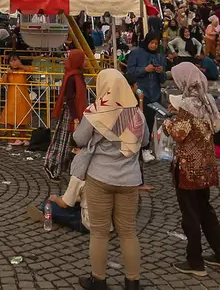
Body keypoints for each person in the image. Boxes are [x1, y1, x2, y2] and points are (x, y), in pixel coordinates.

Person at [74, 69, 145, 290]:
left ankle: (98, 280)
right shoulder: (136, 114)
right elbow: (144, 142)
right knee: (128, 232)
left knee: (99, 232)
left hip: (100, 176)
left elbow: (79, 138)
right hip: (129, 179)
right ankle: (132, 282)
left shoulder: (96, 111)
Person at [163, 62, 220, 279]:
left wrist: (167, 124)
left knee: (190, 214)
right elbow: (218, 127)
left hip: (188, 167)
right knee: (206, 210)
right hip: (206, 165)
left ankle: (195, 261)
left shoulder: (187, 104)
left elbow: (179, 134)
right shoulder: (208, 100)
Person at [44, 47, 87, 179]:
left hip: (77, 112)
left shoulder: (78, 75)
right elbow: (70, 98)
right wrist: (75, 117)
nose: (85, 62)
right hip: (72, 113)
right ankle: (52, 165)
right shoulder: (72, 77)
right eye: (83, 59)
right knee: (64, 141)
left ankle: (64, 168)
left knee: (70, 141)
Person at [0, 53, 33, 146]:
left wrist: (21, 66)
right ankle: (10, 138)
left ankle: (22, 137)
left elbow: (31, 70)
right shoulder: (8, 72)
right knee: (9, 118)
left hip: (23, 98)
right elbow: (2, 82)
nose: (14, 62)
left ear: (19, 60)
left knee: (23, 118)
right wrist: (7, 74)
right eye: (11, 61)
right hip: (12, 98)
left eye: (16, 60)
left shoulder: (23, 70)